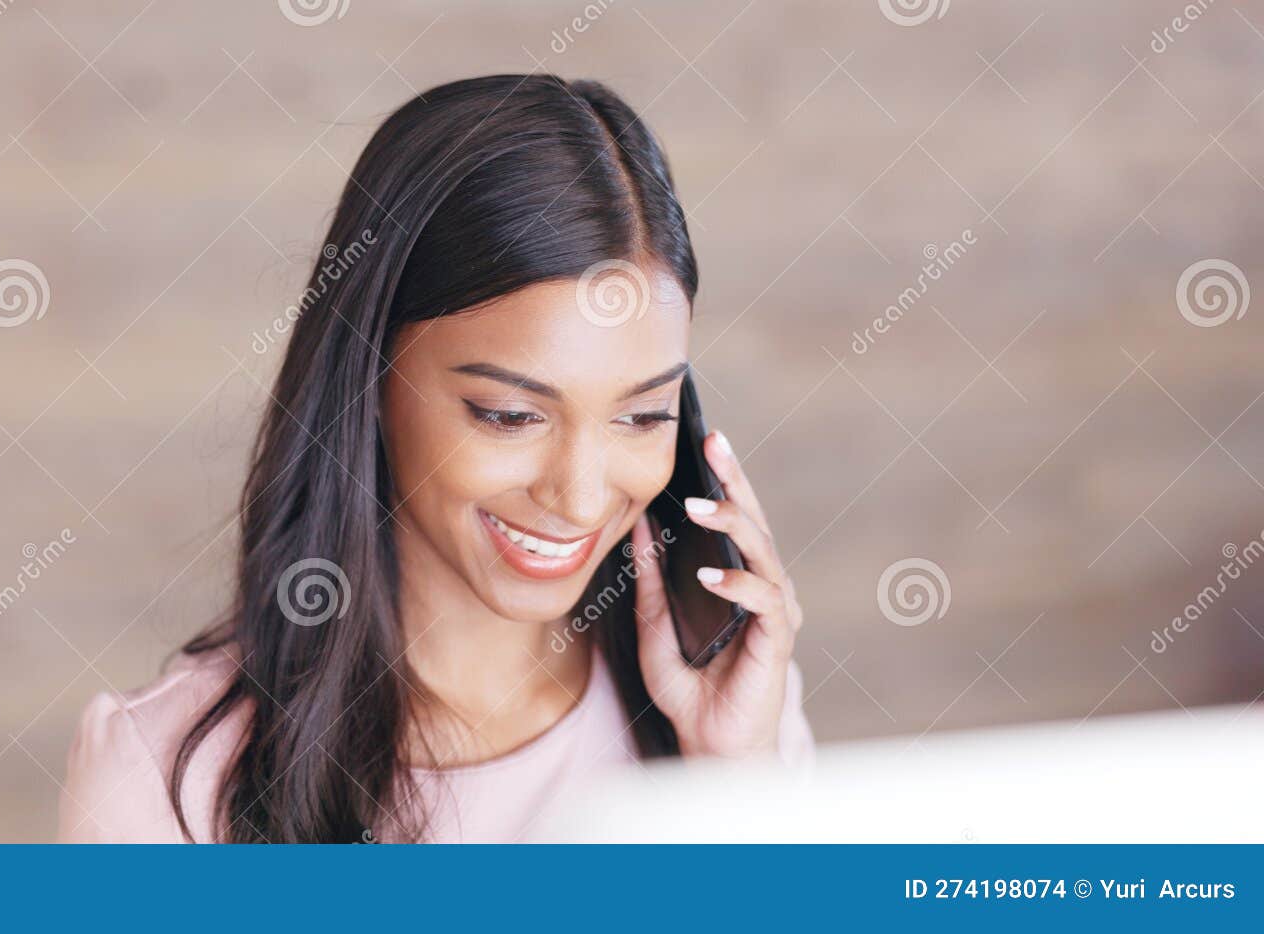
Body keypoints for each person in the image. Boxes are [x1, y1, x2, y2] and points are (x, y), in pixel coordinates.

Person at [59, 74, 813, 844]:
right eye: (510, 416)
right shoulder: (165, 779)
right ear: (370, 380)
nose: (582, 499)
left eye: (643, 415)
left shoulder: (732, 707)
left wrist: (733, 783)